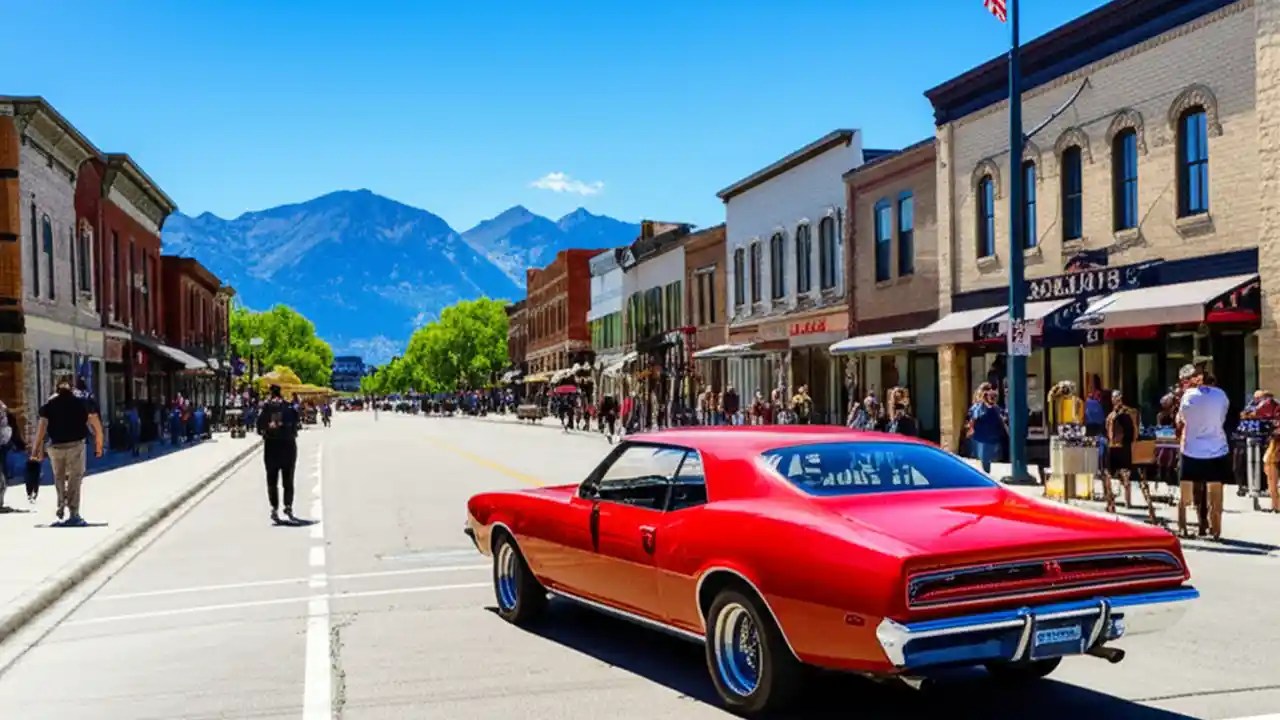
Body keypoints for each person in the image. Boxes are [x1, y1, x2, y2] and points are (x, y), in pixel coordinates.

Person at [30, 373, 104, 526]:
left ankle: (61, 503)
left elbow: (42, 428)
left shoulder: (49, 404)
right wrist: (99, 443)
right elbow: (95, 423)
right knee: (75, 478)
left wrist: (36, 449)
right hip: (76, 445)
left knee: (59, 477)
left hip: (55, 447)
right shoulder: (82, 402)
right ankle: (74, 512)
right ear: (72, 386)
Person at [1176, 364, 1231, 539]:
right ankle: (1216, 529)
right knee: (1216, 492)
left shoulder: (1188, 396)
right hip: (1216, 448)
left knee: (1186, 492)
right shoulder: (1221, 395)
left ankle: (1183, 527)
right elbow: (1222, 416)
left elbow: (1182, 419)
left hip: (1192, 449)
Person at [257, 384, 300, 524]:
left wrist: (268, 427)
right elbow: (296, 423)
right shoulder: (289, 407)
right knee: (288, 479)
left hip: (272, 446)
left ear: (270, 393)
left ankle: (274, 507)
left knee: (272, 480)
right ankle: (288, 506)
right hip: (288, 446)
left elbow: (259, 426)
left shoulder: (266, 408)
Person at [967, 386, 1007, 475]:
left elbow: (1002, 420)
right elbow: (973, 419)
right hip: (982, 439)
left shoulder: (996, 409)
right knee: (985, 462)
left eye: (994, 396)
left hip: (993, 438)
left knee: (992, 460)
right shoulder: (979, 408)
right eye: (989, 395)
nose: (992, 398)